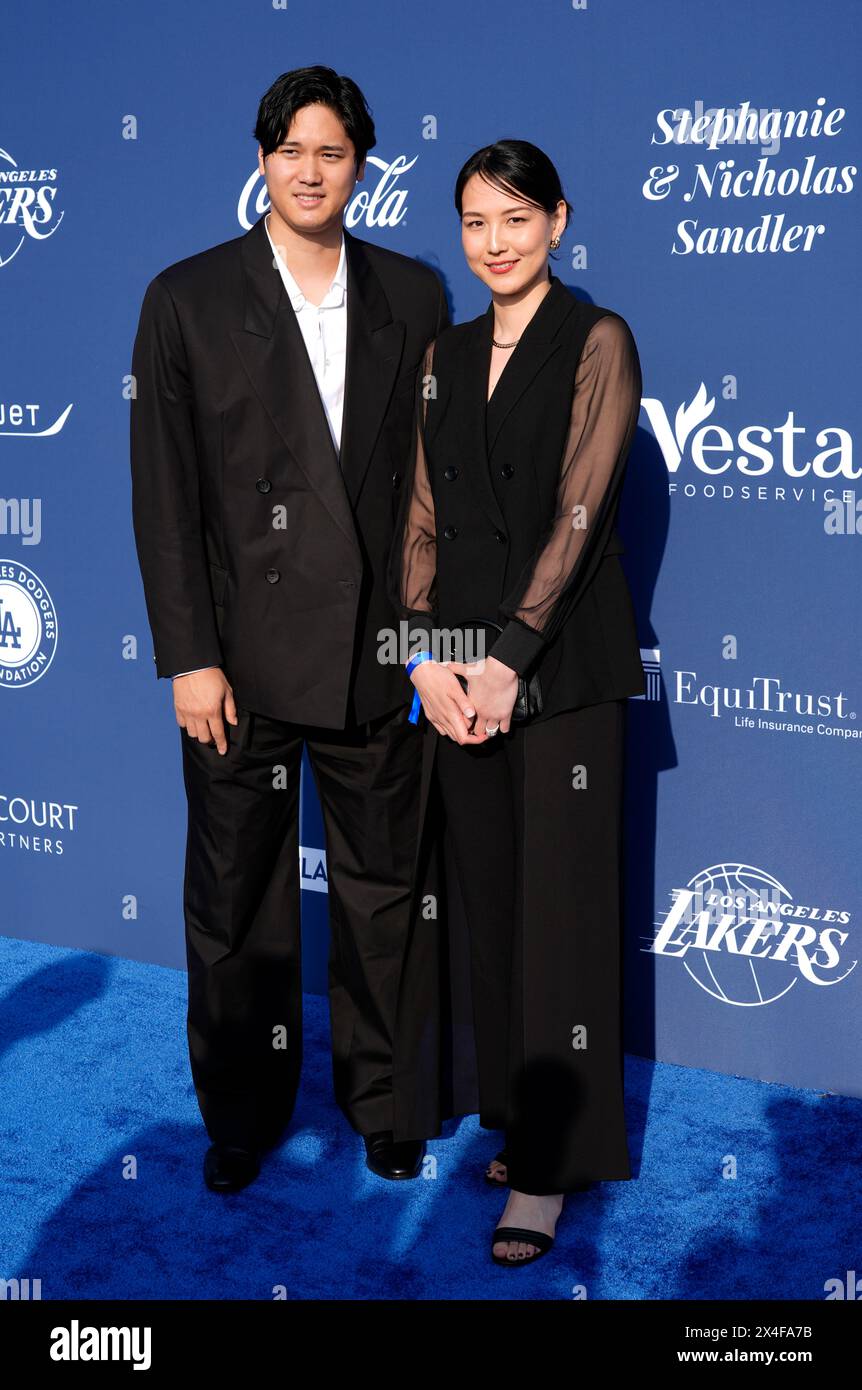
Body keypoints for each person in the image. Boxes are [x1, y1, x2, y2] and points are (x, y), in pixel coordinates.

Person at [129, 66, 449, 1193]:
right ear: (261, 159)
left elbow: (431, 493)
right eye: (290, 150)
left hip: (374, 655)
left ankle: (386, 1100)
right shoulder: (188, 296)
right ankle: (242, 1111)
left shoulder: (415, 295)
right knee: (235, 906)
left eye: (333, 153)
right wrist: (189, 656)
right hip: (239, 665)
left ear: (362, 166)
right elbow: (163, 496)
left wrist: (429, 645)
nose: (310, 172)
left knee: (381, 892)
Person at [391, 139, 645, 1265]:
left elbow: (582, 513)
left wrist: (507, 658)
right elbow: (418, 519)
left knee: (559, 923)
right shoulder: (441, 353)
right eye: (474, 223)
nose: (494, 243)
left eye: (515, 219)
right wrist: (425, 661)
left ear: (557, 220)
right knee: (487, 910)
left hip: (561, 674)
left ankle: (549, 1168)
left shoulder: (596, 339)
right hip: (454, 676)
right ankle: (512, 1120)